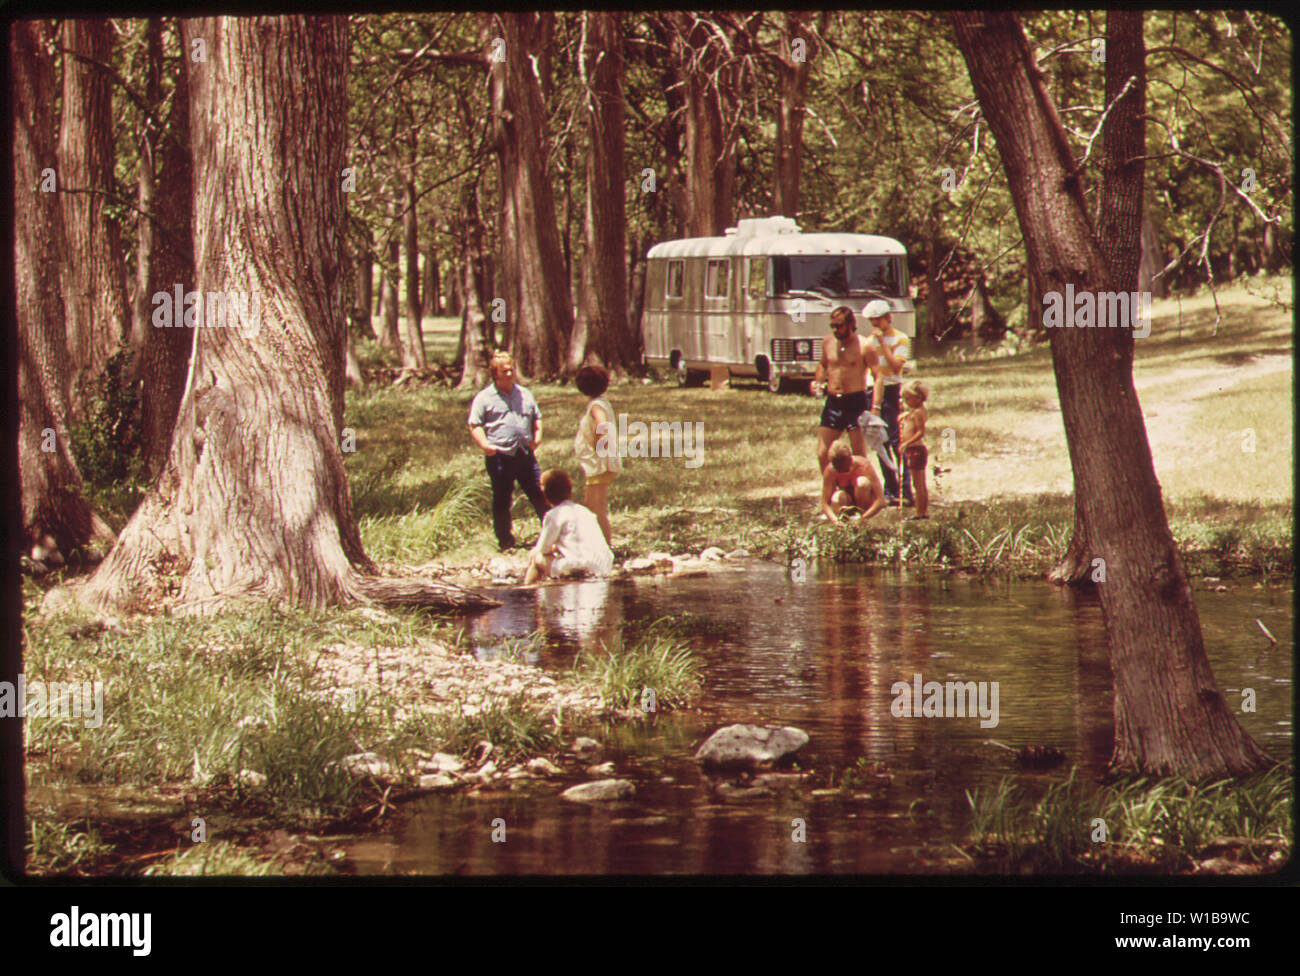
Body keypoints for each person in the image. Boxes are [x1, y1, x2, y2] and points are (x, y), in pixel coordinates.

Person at [468, 351, 549, 551]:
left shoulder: (524, 394)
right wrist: (485, 445)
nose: (510, 373)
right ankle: (505, 540)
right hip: (499, 457)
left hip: (524, 454)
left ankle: (551, 535)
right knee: (502, 498)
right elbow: (474, 424)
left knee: (540, 493)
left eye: (512, 369)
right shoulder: (484, 397)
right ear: (495, 374)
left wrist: (537, 438)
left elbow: (537, 417)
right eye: (505, 370)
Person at [813, 306, 879, 475]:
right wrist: (818, 381)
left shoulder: (865, 346)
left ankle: (863, 489)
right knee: (823, 453)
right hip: (834, 402)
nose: (835, 330)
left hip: (855, 401)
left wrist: (875, 407)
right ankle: (832, 488)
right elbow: (823, 364)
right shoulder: (827, 342)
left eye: (839, 326)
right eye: (832, 326)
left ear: (851, 324)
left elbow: (879, 377)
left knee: (858, 455)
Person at [524, 469, 615, 584]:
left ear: (545, 497)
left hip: (580, 568)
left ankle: (529, 591)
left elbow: (543, 549)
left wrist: (551, 549)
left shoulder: (554, 515)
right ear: (570, 491)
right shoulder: (584, 511)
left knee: (535, 556)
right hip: (603, 566)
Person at [863, 299, 913, 504]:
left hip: (891, 390)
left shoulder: (900, 339)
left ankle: (905, 490)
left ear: (888, 318)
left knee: (895, 439)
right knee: (879, 439)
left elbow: (895, 367)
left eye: (878, 321)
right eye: (872, 321)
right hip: (872, 390)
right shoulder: (868, 341)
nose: (875, 326)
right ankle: (889, 488)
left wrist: (883, 344)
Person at [572, 364, 621, 546]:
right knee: (590, 505)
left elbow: (601, 424)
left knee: (597, 507)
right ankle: (591, 543)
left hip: (599, 464)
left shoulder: (596, 406)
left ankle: (605, 547)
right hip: (597, 466)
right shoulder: (601, 403)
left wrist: (600, 445)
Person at [821, 441, 886, 523]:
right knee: (838, 497)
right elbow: (825, 503)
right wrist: (835, 520)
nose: (842, 471)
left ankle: (863, 519)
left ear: (850, 460)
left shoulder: (864, 465)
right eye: (838, 469)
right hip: (848, 502)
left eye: (844, 468)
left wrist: (862, 519)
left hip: (865, 503)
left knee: (862, 483)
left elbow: (880, 500)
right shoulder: (831, 470)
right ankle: (844, 521)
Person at [898, 380, 930, 520]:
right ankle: (922, 511)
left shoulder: (917, 413)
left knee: (918, 483)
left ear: (918, 398)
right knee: (919, 483)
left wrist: (906, 443)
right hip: (915, 450)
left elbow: (920, 432)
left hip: (916, 449)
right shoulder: (916, 411)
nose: (906, 402)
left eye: (908, 399)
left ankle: (920, 512)